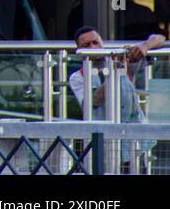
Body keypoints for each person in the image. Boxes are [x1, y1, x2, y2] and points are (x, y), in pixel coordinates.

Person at [69, 25, 165, 170]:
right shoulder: (77, 77)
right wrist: (117, 68)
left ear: (102, 41)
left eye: (95, 42)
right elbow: (93, 100)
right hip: (104, 145)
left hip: (134, 142)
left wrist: (143, 47)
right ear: (79, 49)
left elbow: (160, 38)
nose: (93, 47)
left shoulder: (122, 56)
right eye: (86, 45)